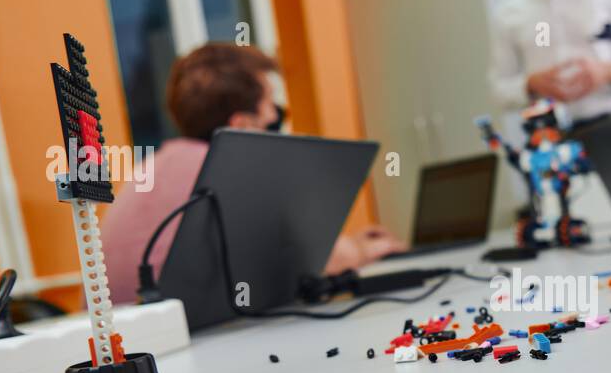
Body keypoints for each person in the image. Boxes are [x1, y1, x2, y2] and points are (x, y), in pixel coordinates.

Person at [101, 43, 403, 304]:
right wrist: (367, 249)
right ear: (241, 126)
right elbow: (312, 261)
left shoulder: (149, 168)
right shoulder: (226, 169)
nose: (275, 115)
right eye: (270, 104)